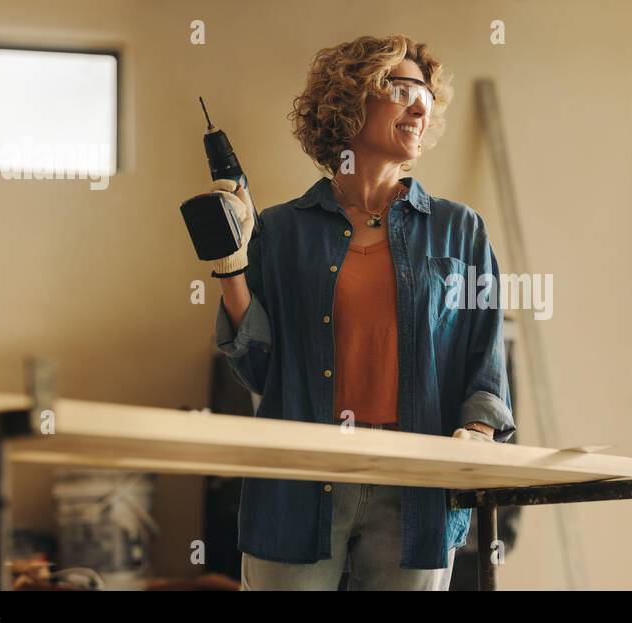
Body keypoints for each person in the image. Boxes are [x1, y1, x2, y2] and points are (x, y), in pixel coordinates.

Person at [194, 34, 515, 590]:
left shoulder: (460, 230)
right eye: (402, 88)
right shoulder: (279, 228)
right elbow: (258, 371)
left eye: (427, 94)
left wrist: (478, 431)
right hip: (299, 478)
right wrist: (233, 266)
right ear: (350, 99)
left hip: (415, 482)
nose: (421, 106)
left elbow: (484, 355)